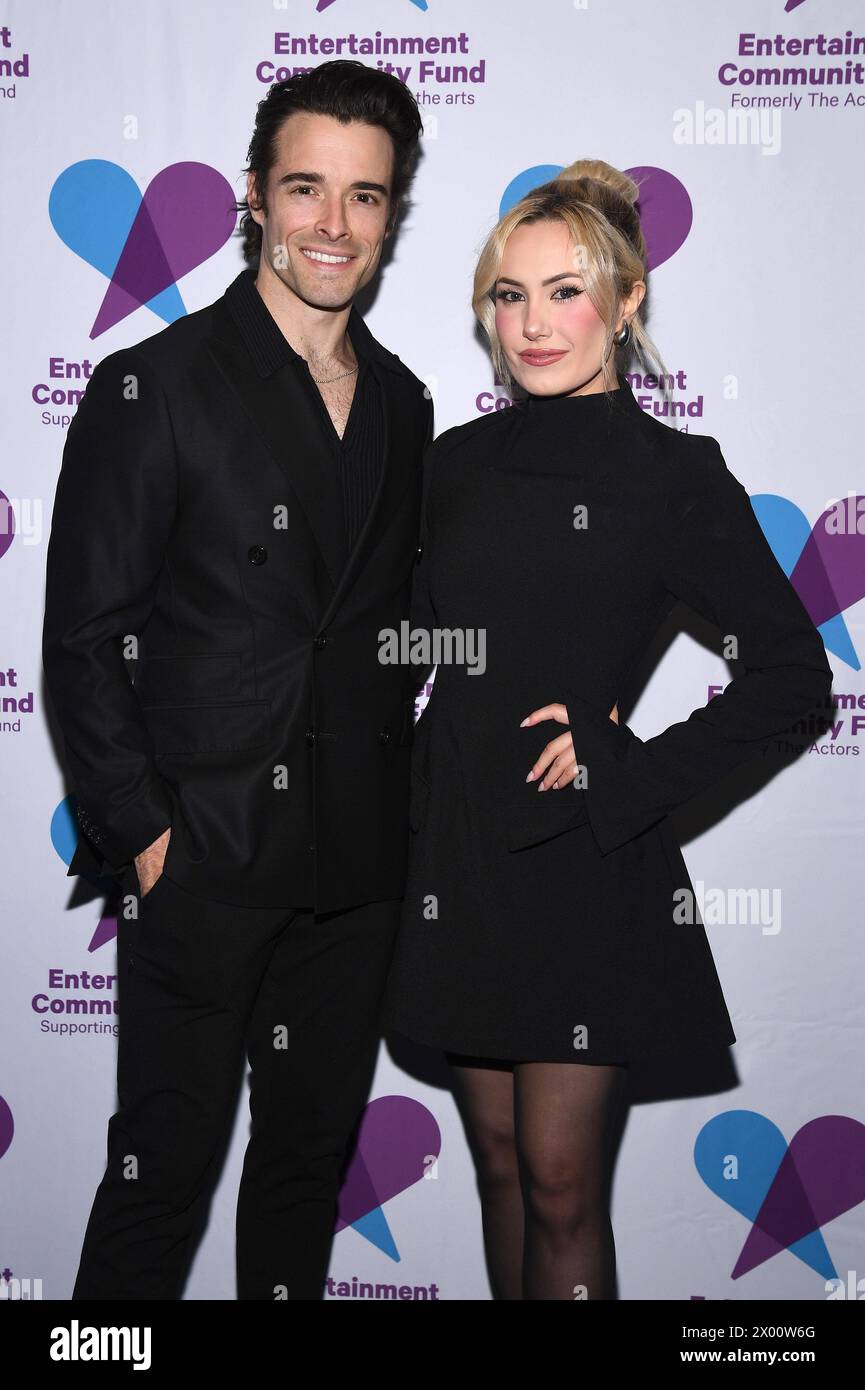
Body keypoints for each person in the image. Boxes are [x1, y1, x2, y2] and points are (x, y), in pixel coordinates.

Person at [384, 158, 833, 1299]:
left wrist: (623, 757)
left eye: (565, 292)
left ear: (626, 303)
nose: (534, 325)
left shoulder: (671, 475)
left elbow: (789, 678)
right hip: (458, 847)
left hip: (585, 857)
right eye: (509, 295)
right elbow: (416, 644)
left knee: (558, 1181)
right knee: (494, 1167)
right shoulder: (450, 463)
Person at [42, 60, 431, 1300]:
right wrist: (148, 837)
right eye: (306, 188)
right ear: (255, 198)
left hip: (356, 875)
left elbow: (398, 629)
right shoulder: (153, 385)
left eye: (364, 198)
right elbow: (83, 641)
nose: (332, 223)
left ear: (391, 215)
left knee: (304, 1177)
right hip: (201, 860)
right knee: (158, 1187)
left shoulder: (409, 406)